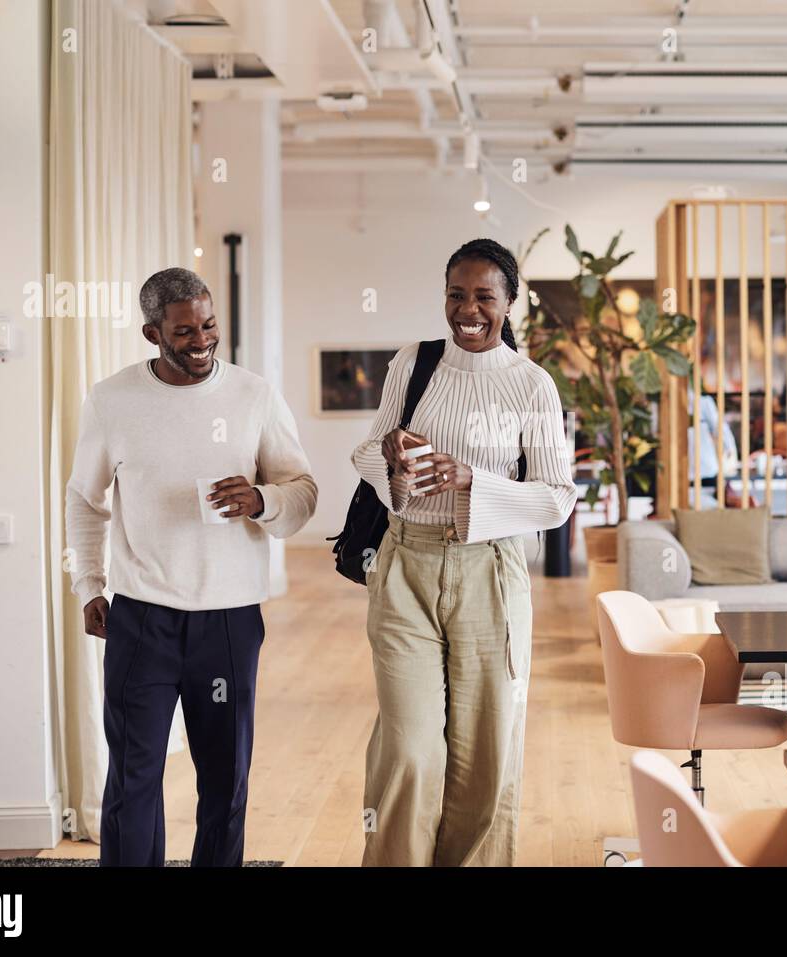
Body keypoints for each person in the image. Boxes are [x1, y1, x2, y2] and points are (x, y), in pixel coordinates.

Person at [65, 267, 317, 866]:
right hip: (141, 620)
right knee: (133, 779)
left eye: (209, 326)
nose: (202, 341)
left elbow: (302, 491)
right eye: (185, 332)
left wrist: (262, 500)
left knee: (225, 782)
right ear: (153, 334)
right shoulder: (112, 399)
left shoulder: (254, 394)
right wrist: (89, 584)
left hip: (227, 623)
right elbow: (83, 497)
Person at [352, 238, 577, 866]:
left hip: (490, 571)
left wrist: (473, 481)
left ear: (509, 303)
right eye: (457, 294)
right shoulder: (413, 362)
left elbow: (557, 499)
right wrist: (392, 457)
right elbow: (366, 453)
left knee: (485, 751)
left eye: (484, 296)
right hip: (404, 563)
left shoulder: (532, 385)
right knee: (408, 744)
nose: (468, 310)